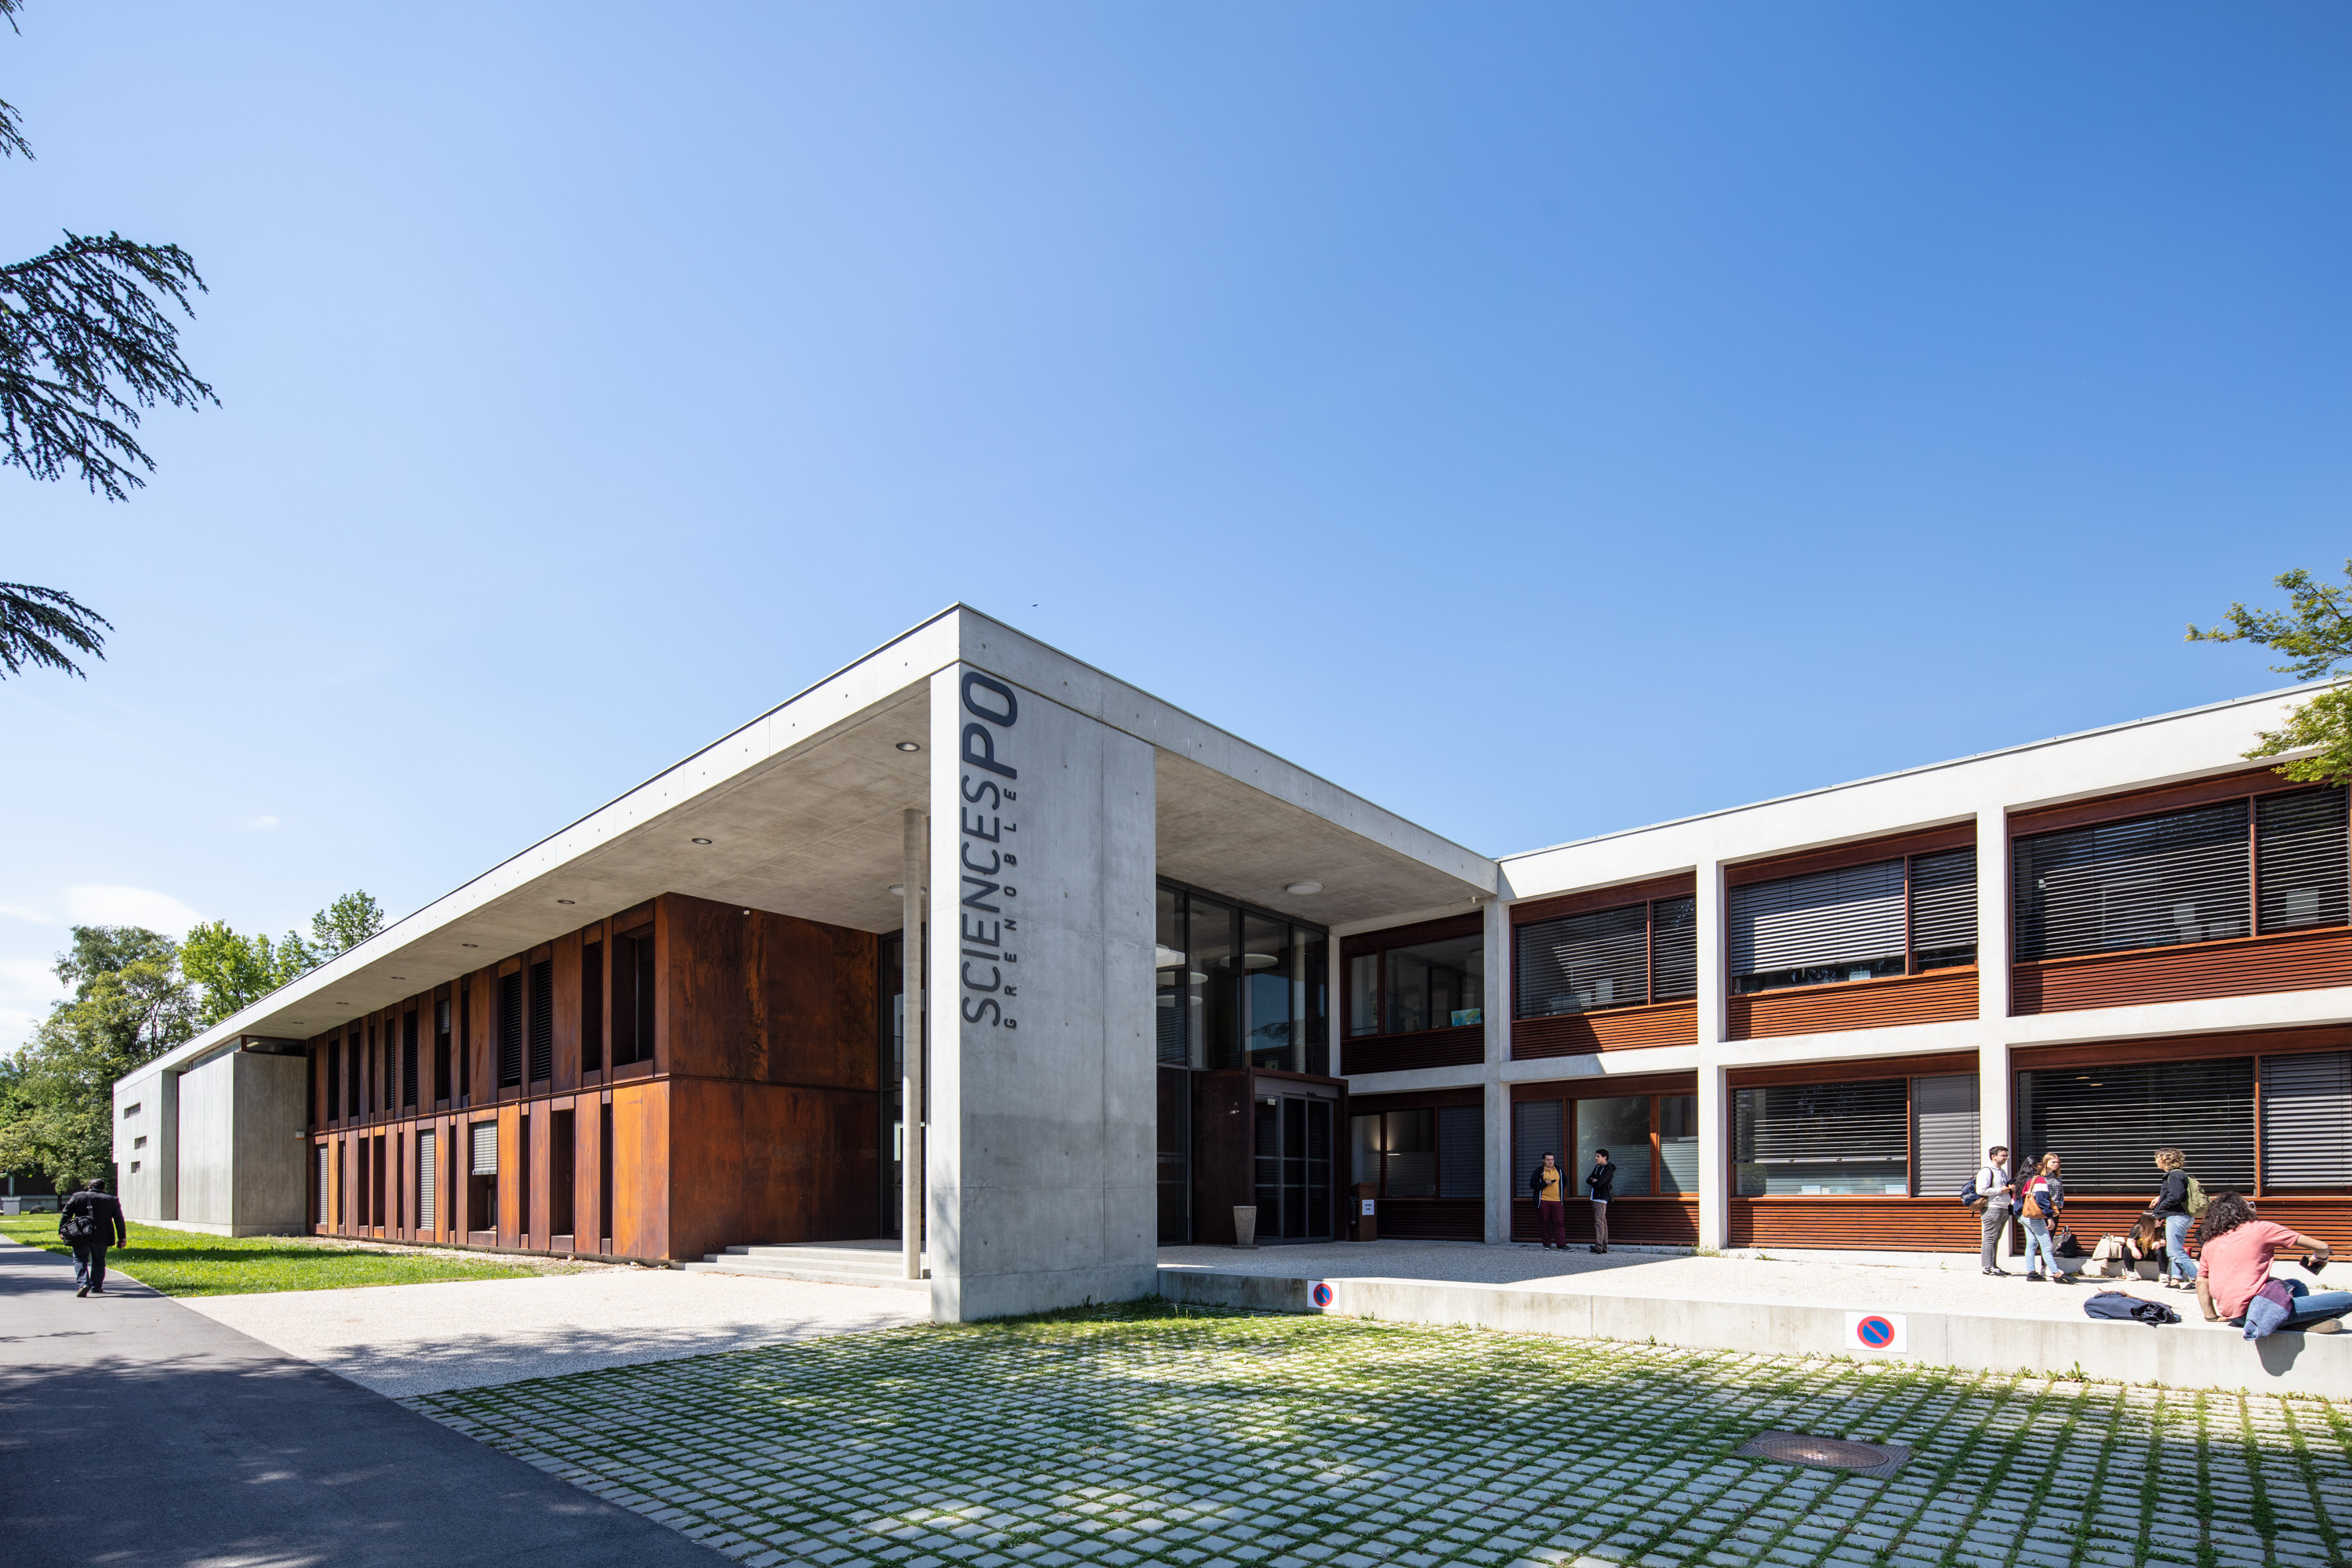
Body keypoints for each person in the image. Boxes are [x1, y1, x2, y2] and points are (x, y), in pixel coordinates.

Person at [2194, 1192, 2352, 1333]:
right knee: (2347, 1298)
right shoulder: (2260, 1229)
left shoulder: (2211, 1243)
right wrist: (2320, 1258)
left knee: (2296, 1285)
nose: (2254, 1208)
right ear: (2241, 1211)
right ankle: (2287, 1320)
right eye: (2251, 1205)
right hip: (2261, 1311)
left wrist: (2211, 1317)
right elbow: (2322, 1246)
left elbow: (2202, 1280)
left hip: (2236, 1317)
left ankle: (2293, 1321)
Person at [59, 1176, 126, 1298]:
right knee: (99, 1261)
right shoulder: (111, 1199)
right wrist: (122, 1237)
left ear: (89, 1187)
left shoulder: (78, 1196)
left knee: (80, 1259)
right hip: (102, 1236)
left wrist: (62, 1230)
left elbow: (66, 1213)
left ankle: (83, 1284)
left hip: (80, 1235)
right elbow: (119, 1219)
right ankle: (97, 1286)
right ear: (104, 1188)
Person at [2149, 1147, 2200, 1291]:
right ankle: (2175, 1280)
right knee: (2177, 1249)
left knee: (2174, 1251)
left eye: (2158, 1158)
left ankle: (2198, 1281)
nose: (2156, 1162)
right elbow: (2176, 1193)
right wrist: (2161, 1198)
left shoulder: (2176, 1175)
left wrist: (2163, 1206)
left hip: (2177, 1216)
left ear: (2166, 1159)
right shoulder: (2176, 1175)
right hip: (2180, 1216)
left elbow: (2177, 1196)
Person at [2020, 1153, 2069, 1283]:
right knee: (2046, 1243)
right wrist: (2048, 1216)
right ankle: (2055, 1272)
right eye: (2052, 1162)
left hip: (2049, 1211)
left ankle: (2032, 1272)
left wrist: (2059, 1205)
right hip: (2041, 1212)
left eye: (2057, 1162)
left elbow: (2060, 1193)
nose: (2056, 1164)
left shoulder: (2055, 1177)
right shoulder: (2039, 1179)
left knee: (2033, 1243)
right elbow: (2042, 1199)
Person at [1975, 1145, 2016, 1276]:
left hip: (2003, 1208)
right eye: (2003, 1155)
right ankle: (1988, 1267)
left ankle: (1993, 1265)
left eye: (2006, 1155)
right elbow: (1981, 1190)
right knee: (1990, 1237)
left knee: (1996, 1238)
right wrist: (2001, 1190)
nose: (2006, 1158)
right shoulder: (1986, 1171)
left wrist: (2010, 1188)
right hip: (1992, 1207)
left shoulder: (2001, 1171)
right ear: (1994, 1156)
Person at [1529, 1152, 1566, 1250]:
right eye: (1548, 1160)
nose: (1550, 1162)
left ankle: (1561, 1244)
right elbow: (1532, 1184)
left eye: (1552, 1159)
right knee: (1544, 1222)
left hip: (1558, 1200)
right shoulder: (1539, 1171)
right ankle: (1547, 1244)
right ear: (1543, 1161)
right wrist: (1544, 1184)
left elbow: (1565, 1182)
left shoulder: (1559, 1170)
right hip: (1544, 1200)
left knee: (1559, 1222)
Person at [1584, 1147, 1615, 1254]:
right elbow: (1588, 1180)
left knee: (1599, 1222)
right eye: (1595, 1156)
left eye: (1598, 1156)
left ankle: (1599, 1245)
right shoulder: (1598, 1167)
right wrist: (1594, 1180)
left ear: (1604, 1157)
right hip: (1594, 1197)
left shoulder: (1608, 1169)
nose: (1596, 1158)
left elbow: (1600, 1183)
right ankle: (1603, 1246)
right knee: (1602, 1221)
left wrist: (1595, 1181)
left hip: (1601, 1198)